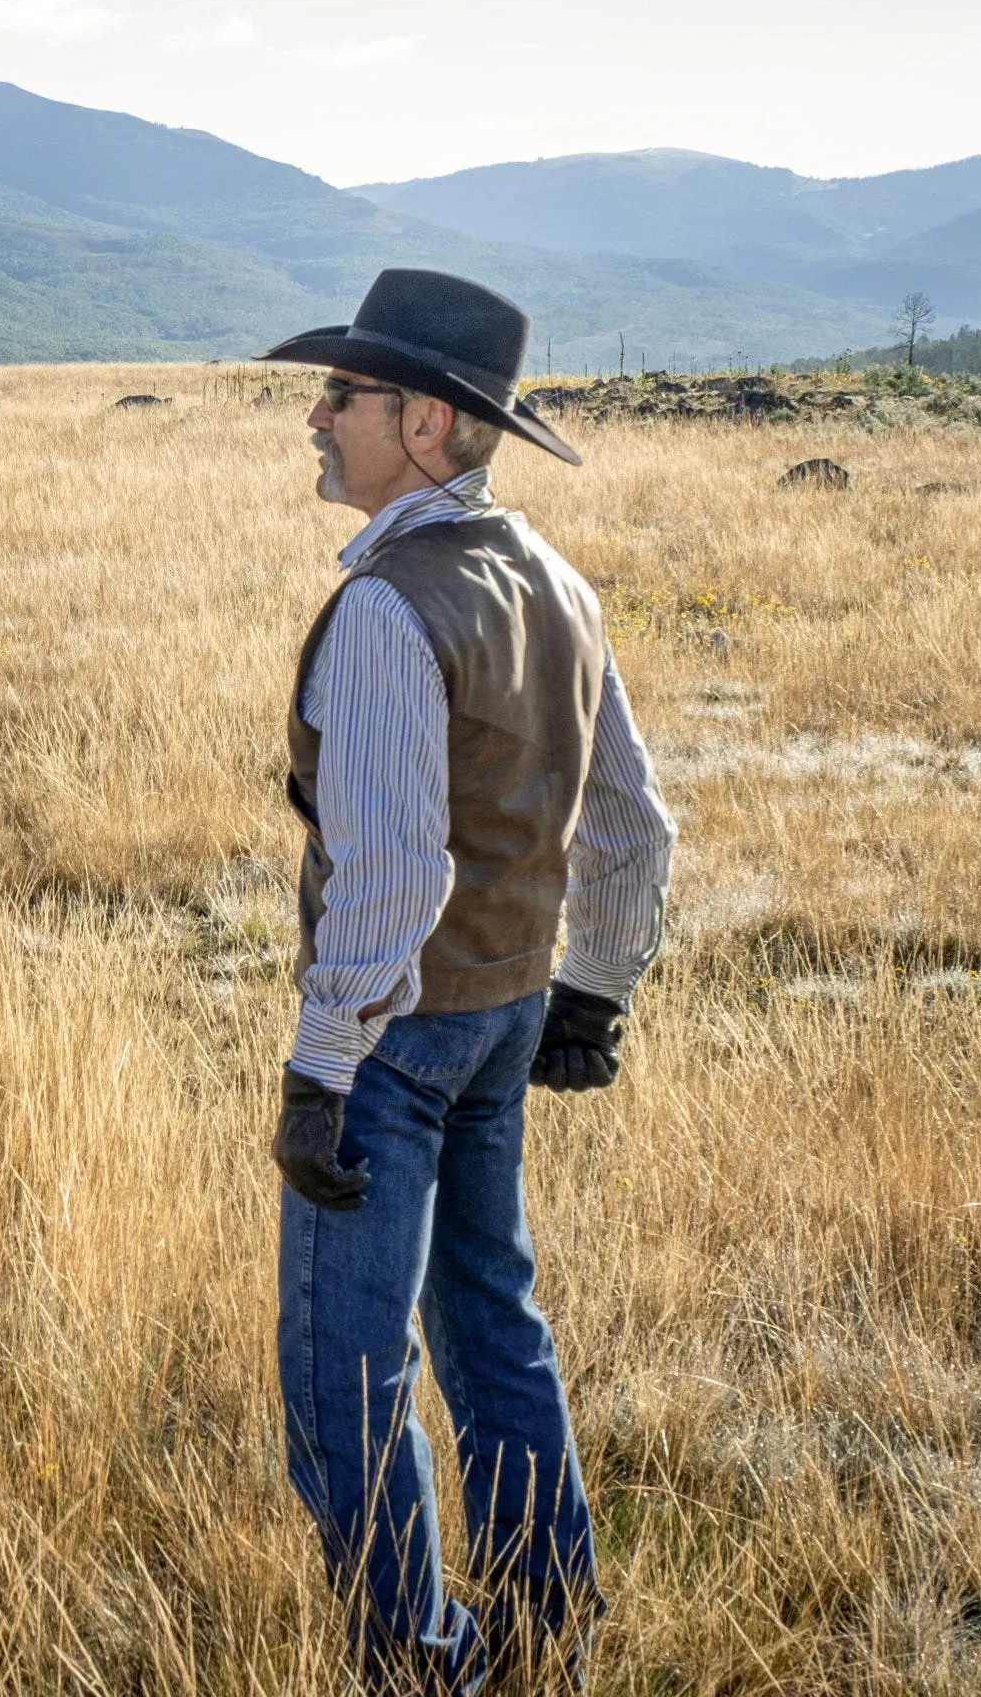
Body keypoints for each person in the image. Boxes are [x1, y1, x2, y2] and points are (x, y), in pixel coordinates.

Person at [256, 269, 674, 1693]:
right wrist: (593, 989)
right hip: (506, 1014)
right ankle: (547, 1622)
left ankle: (419, 1662)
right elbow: (632, 820)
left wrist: (322, 1070)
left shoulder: (388, 607)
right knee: (494, 1322)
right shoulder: (557, 580)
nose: (319, 417)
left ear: (425, 423)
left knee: (346, 1373)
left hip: (398, 1041)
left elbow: (391, 876)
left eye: (345, 395)